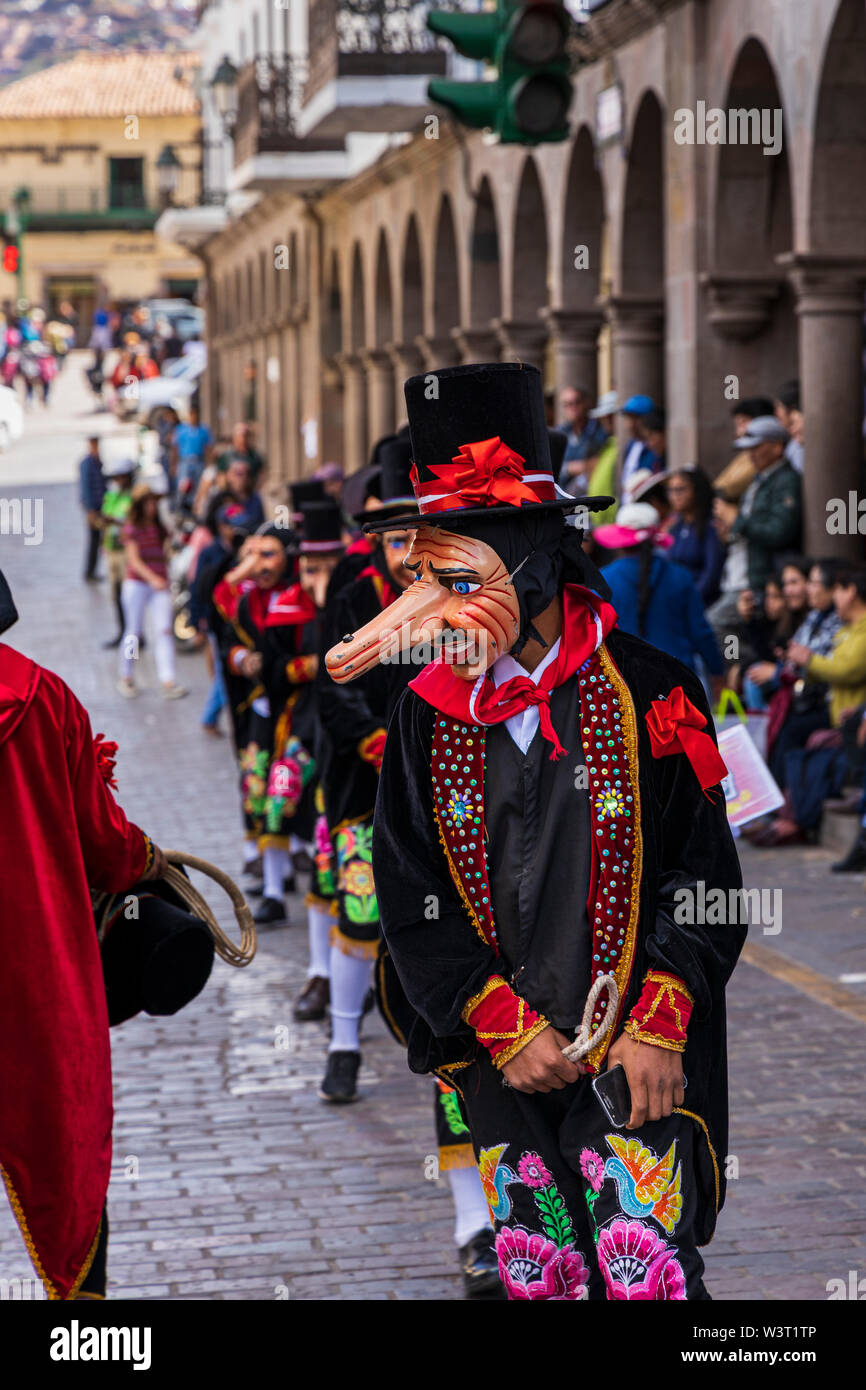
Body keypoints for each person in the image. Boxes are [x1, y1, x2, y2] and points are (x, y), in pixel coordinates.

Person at [328, 361, 743, 1301]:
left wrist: (660, 1020)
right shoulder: (424, 717)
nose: (422, 601)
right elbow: (407, 893)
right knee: (544, 1279)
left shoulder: (652, 689)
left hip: (636, 1057)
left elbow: (708, 876)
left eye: (450, 571)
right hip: (503, 1065)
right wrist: (499, 1027)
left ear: (528, 559)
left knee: (647, 1279)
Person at [0, 567, 168, 1300]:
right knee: (63, 1151)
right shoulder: (44, 697)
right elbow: (105, 848)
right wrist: (145, 858)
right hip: (34, 978)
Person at [594, 502, 723, 684]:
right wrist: (717, 672)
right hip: (678, 683)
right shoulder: (681, 577)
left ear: (620, 541)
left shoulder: (603, 580)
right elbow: (700, 633)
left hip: (624, 685)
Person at [709, 415, 802, 643]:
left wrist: (737, 519)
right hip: (739, 574)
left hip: (760, 578)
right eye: (748, 448)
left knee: (714, 627)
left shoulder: (786, 481)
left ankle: (737, 673)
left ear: (777, 446)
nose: (750, 454)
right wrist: (728, 531)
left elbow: (779, 531)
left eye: (757, 447)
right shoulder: (759, 480)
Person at [117, 482, 187, 701]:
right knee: (134, 632)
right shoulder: (131, 528)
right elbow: (134, 561)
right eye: (148, 502)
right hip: (138, 583)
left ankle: (168, 679)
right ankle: (126, 675)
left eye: (154, 502)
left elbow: (166, 550)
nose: (152, 506)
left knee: (164, 630)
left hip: (159, 583)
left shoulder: (158, 527)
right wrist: (152, 578)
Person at [666, 466, 726, 605]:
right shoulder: (676, 527)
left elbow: (712, 573)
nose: (675, 495)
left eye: (680, 489)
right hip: (676, 599)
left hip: (702, 601)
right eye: (671, 490)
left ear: (697, 490)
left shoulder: (710, 526)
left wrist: (691, 601)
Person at [100, 459, 137, 648]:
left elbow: (132, 522)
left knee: (129, 595)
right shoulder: (112, 495)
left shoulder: (134, 497)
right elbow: (104, 517)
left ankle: (135, 633)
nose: (118, 480)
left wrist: (114, 520)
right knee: (116, 594)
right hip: (112, 550)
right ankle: (123, 631)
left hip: (127, 552)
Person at [556, 386, 608, 496]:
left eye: (576, 402)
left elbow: (597, 464)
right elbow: (553, 468)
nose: (573, 408)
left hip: (591, 496)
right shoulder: (561, 432)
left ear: (586, 403)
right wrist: (571, 468)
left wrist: (569, 467)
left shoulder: (599, 430)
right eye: (568, 404)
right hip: (563, 496)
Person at [584, 391, 619, 530]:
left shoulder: (618, 446)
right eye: (604, 418)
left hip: (613, 520)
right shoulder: (607, 445)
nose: (606, 422)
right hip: (599, 521)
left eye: (610, 417)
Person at [171, 403, 214, 512]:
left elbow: (208, 448)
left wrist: (209, 464)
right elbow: (175, 448)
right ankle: (180, 508)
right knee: (183, 486)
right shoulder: (181, 429)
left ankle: (195, 508)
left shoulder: (203, 429)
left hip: (199, 461)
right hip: (185, 461)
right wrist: (174, 465)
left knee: (198, 487)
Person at [618, 394, 657, 497]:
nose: (631, 425)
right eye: (629, 418)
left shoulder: (654, 448)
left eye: (636, 419)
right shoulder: (631, 445)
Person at [79, 435, 106, 583]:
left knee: (98, 540)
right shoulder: (87, 463)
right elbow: (86, 488)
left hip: (99, 507)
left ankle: (93, 571)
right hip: (93, 509)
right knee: (94, 541)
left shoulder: (96, 461)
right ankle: (90, 572)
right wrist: (90, 509)